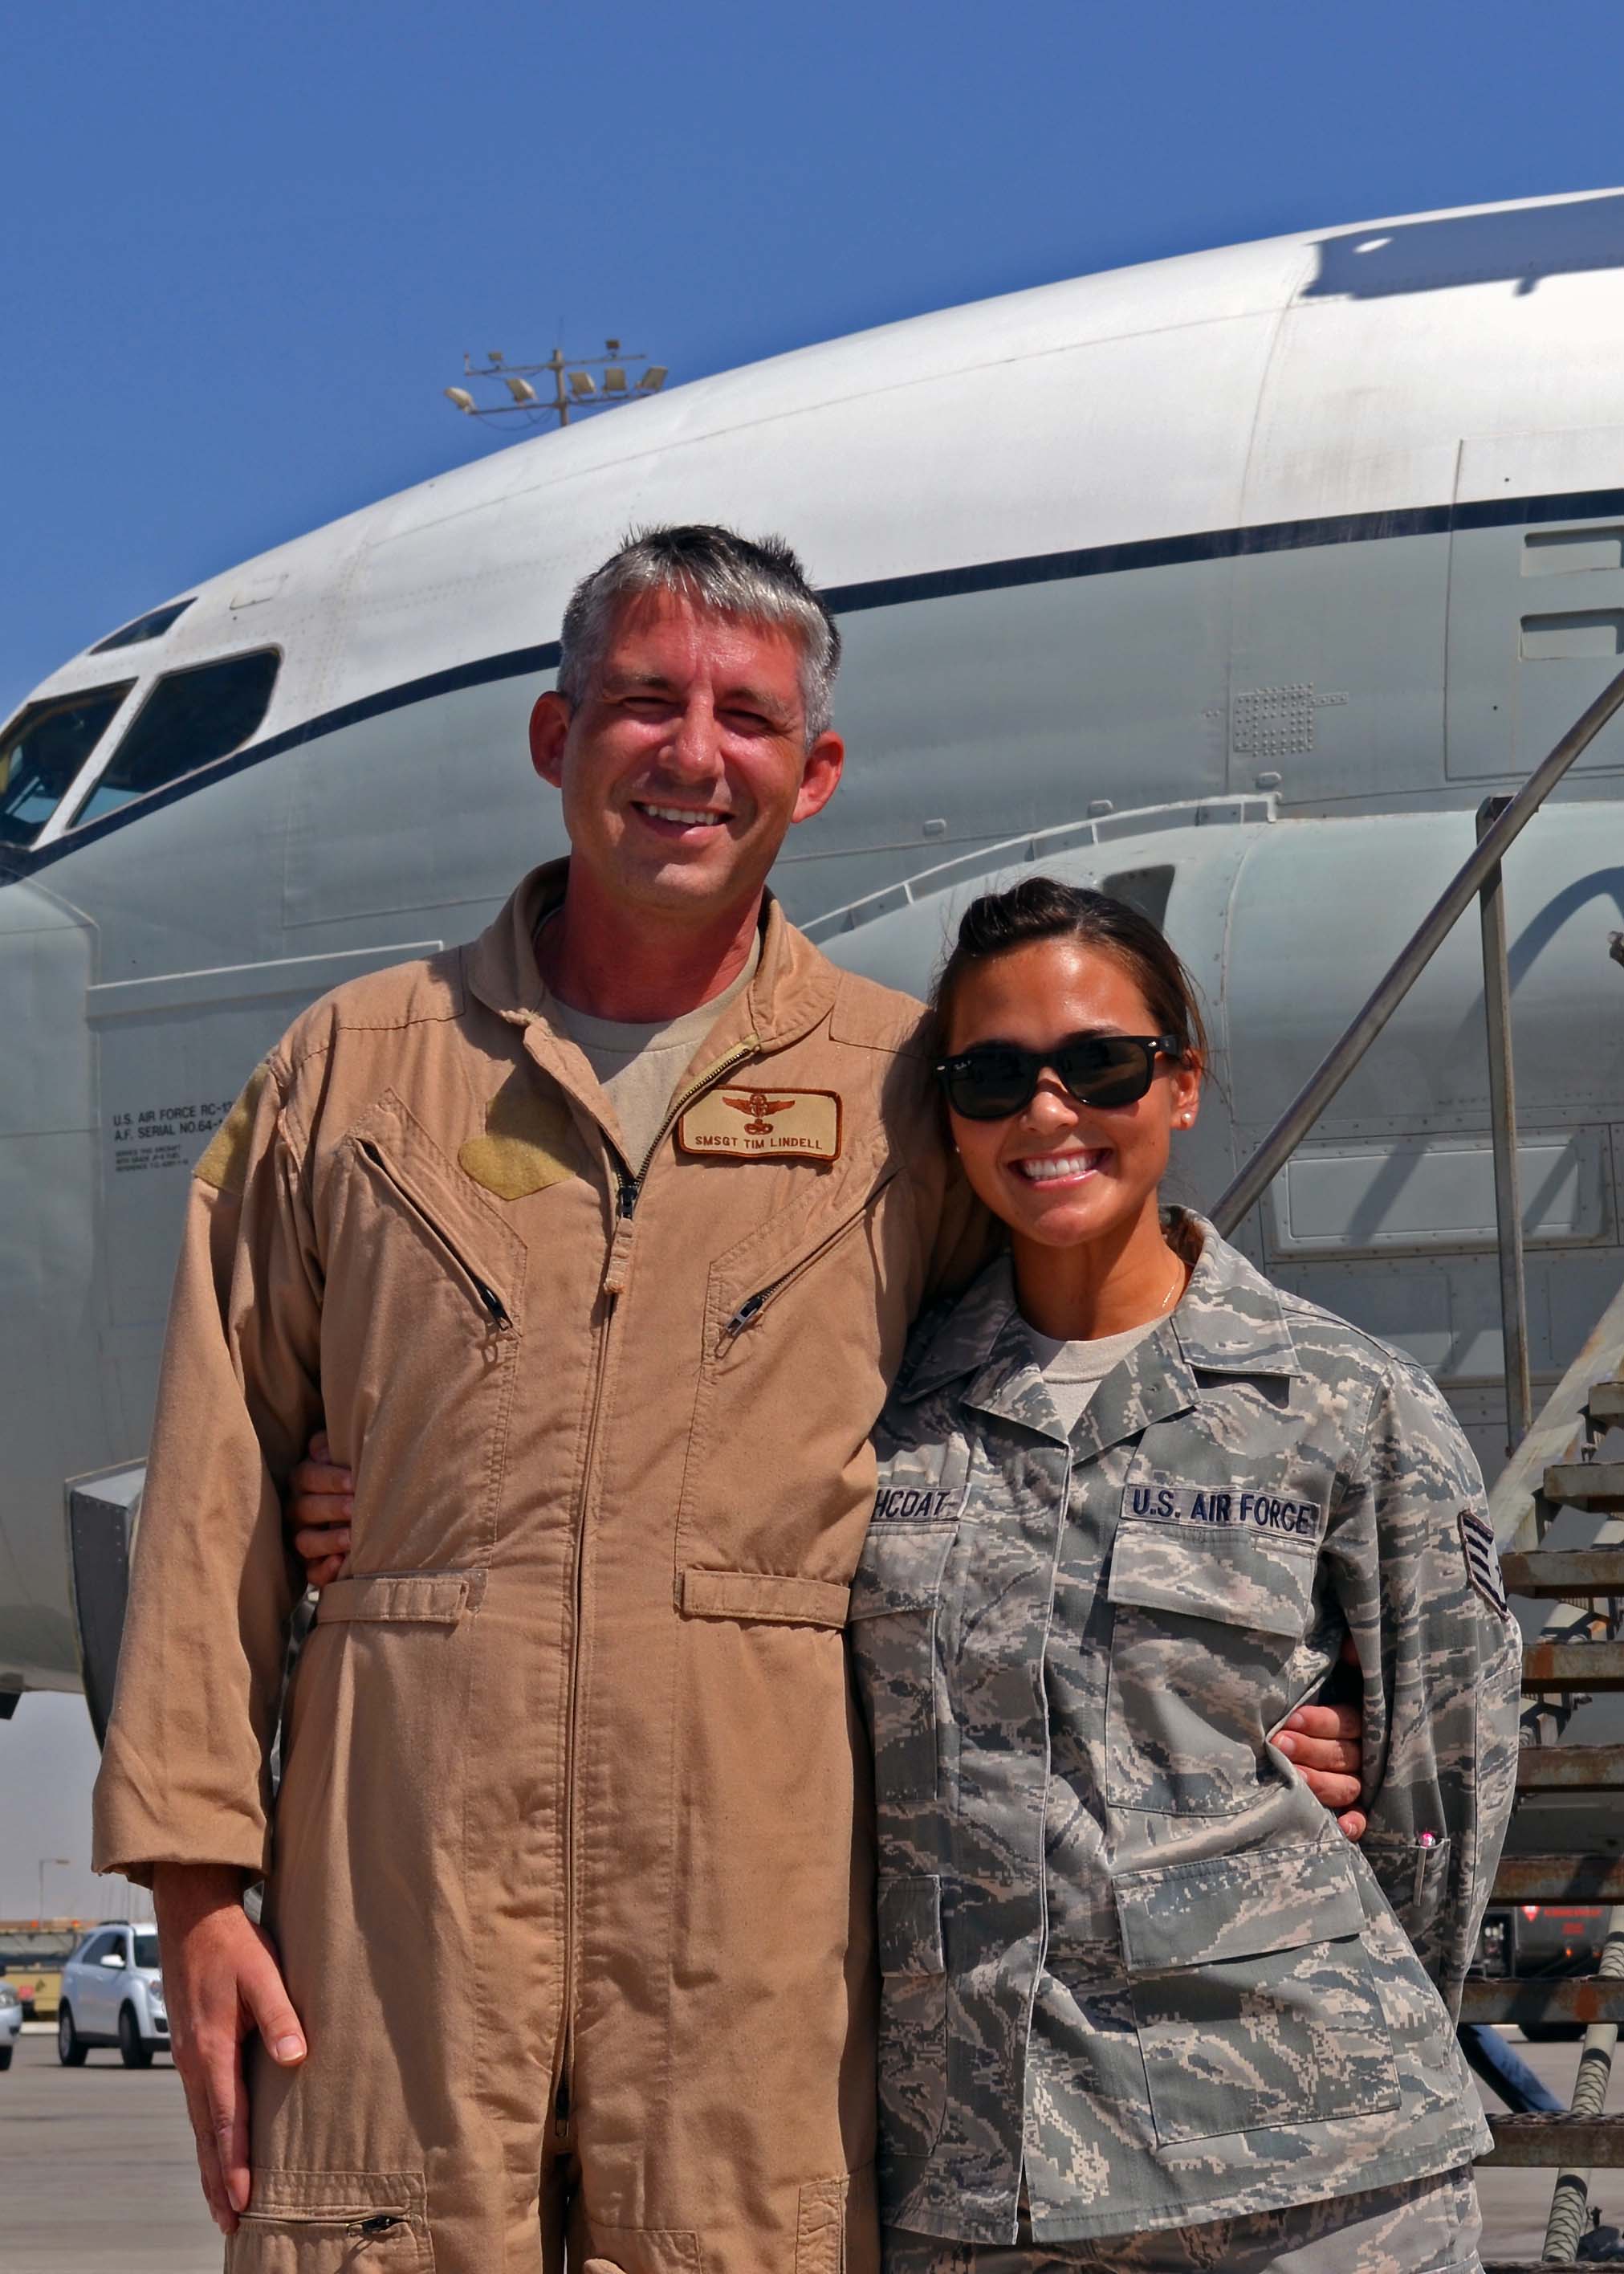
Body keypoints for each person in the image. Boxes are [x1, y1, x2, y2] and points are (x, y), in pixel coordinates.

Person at [93, 525, 1366, 2274]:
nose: (691, 755)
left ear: (814, 771)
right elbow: (218, 1476)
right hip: (394, 1914)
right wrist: (195, 1888)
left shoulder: (904, 1094)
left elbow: (1074, 1395)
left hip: (755, 1940)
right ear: (555, 741)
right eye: (640, 702)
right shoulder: (352, 1072)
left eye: (746, 719)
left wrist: (1256, 1687)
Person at [850, 876, 1522, 2272]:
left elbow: (1445, 1787)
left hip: (1317, 2183)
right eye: (993, 1077)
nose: (1049, 1114)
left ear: (1182, 1083)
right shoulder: (881, 1408)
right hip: (986, 2196)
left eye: (1099, 1064)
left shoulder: (1341, 1402)